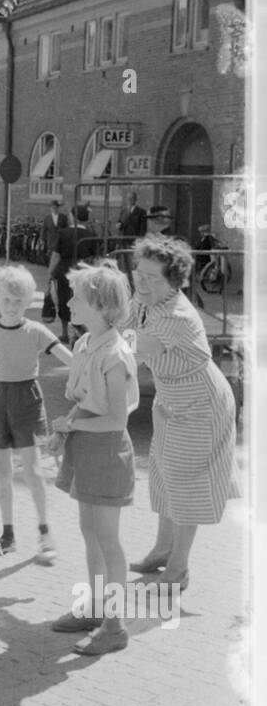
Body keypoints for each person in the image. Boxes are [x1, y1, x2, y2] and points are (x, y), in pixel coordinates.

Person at [120, 235, 241, 590]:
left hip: (201, 403)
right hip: (171, 396)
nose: (141, 282)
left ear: (174, 281)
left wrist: (101, 322)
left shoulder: (175, 316)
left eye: (152, 278)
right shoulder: (144, 301)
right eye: (138, 273)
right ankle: (161, 550)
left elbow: (129, 346)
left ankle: (178, 569)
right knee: (162, 474)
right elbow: (124, 324)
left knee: (187, 484)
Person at [48, 260, 140, 655]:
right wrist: (65, 425)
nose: (67, 302)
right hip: (86, 449)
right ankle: (97, 607)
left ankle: (115, 625)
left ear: (101, 307)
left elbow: (116, 421)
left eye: (77, 298)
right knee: (90, 532)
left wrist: (73, 427)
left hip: (106, 453)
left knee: (108, 539)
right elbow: (84, 402)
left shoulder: (115, 356)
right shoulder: (86, 344)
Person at [0, 264, 73, 564]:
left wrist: (97, 373)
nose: (11, 306)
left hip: (26, 400)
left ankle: (45, 532)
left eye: (19, 301)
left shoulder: (35, 331)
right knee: (2, 473)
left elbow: (70, 359)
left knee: (32, 471)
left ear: (29, 301)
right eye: (6, 300)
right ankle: (7, 535)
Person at [46, 203, 100, 345]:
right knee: (83, 302)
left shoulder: (64, 233)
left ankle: (64, 333)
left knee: (64, 302)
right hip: (84, 273)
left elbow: (56, 255)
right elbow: (96, 258)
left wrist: (50, 272)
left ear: (74, 217)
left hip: (65, 271)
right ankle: (82, 332)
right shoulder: (92, 234)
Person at [115, 191, 147, 287]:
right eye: (128, 198)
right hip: (123, 240)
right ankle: (124, 282)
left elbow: (143, 229)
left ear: (135, 199)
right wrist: (118, 225)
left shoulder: (141, 212)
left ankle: (134, 282)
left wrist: (139, 241)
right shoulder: (124, 210)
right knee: (123, 263)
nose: (129, 200)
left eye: (131, 198)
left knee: (133, 263)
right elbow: (120, 223)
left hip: (133, 241)